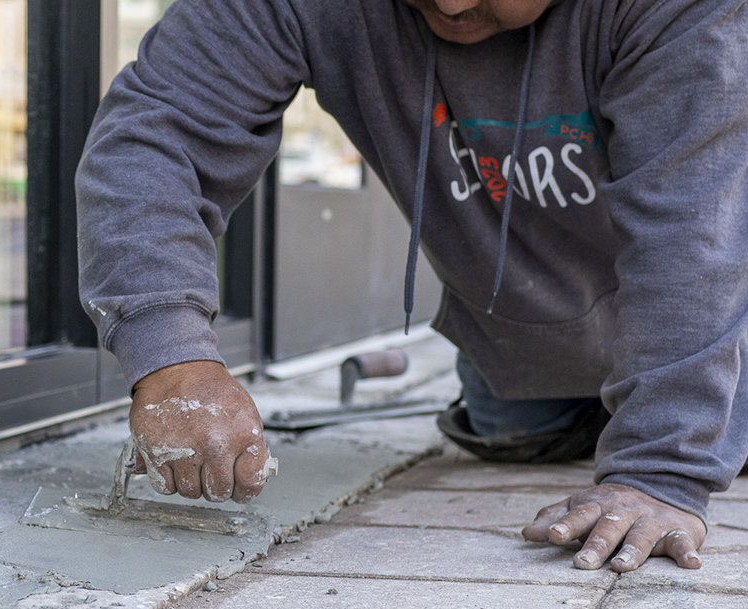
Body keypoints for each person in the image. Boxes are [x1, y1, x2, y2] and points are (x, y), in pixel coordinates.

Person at [76, 0, 748, 572]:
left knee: (715, 421)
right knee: (509, 431)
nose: (451, 5)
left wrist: (662, 469)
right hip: (522, 337)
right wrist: (172, 357)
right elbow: (156, 138)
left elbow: (696, 236)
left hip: (708, 311)